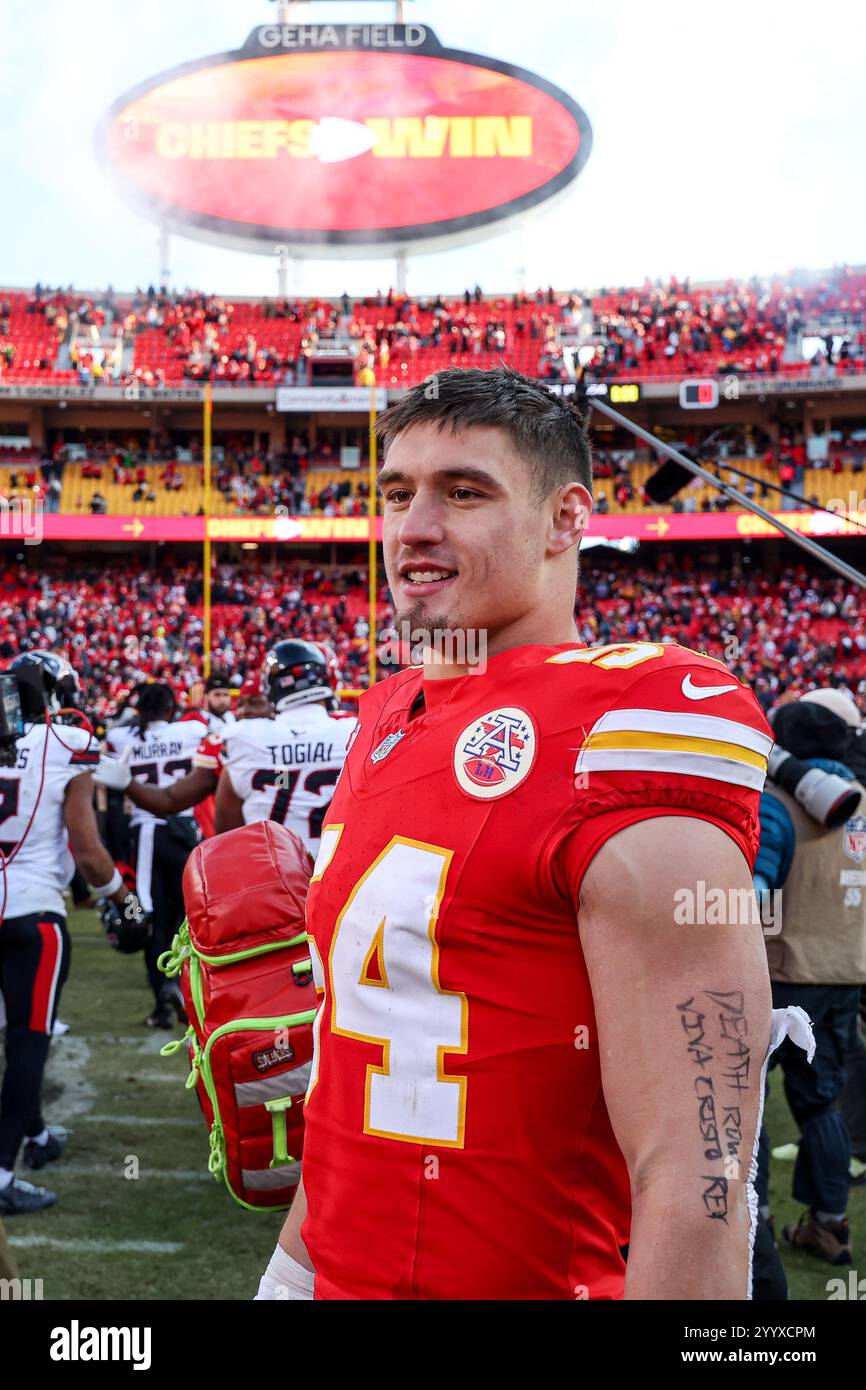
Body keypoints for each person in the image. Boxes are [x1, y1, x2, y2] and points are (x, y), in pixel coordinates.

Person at [257, 367, 788, 1303]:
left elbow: (698, 1175)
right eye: (396, 494)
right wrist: (291, 1278)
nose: (414, 527)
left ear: (564, 519)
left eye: (464, 492)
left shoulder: (627, 726)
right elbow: (361, 1064)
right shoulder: (390, 712)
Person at [0, 653, 144, 1215]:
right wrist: (122, 899)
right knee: (29, 1044)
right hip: (33, 913)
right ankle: (4, 1175)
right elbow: (88, 850)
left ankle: (33, 1134)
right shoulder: (66, 746)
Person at [755, 693, 866, 1264]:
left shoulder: (777, 804)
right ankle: (830, 1224)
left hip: (781, 974)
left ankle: (756, 1224)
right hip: (844, 973)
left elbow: (752, 896)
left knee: (743, 1103)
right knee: (822, 1103)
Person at [103, 683, 203, 1028]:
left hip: (147, 833)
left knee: (149, 919)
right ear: (171, 708)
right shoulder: (193, 730)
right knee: (190, 916)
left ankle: (163, 997)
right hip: (186, 832)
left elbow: (112, 747)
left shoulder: (123, 738)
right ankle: (190, 993)